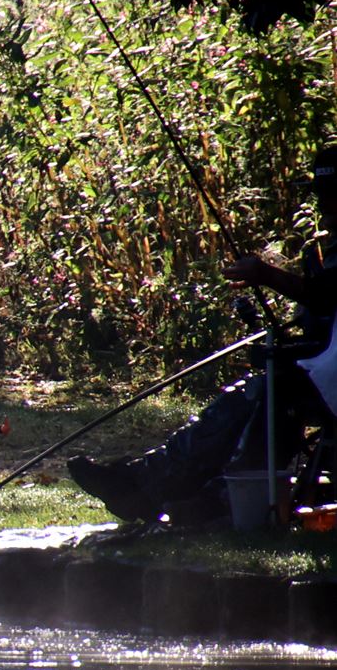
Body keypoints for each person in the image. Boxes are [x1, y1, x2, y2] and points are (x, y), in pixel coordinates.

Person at [67, 145, 337, 523]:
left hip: (327, 381)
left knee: (268, 392)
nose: (328, 207)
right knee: (253, 391)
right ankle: (149, 482)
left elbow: (328, 297)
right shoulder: (324, 250)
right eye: (324, 197)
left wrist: (267, 276)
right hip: (319, 372)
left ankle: (214, 497)